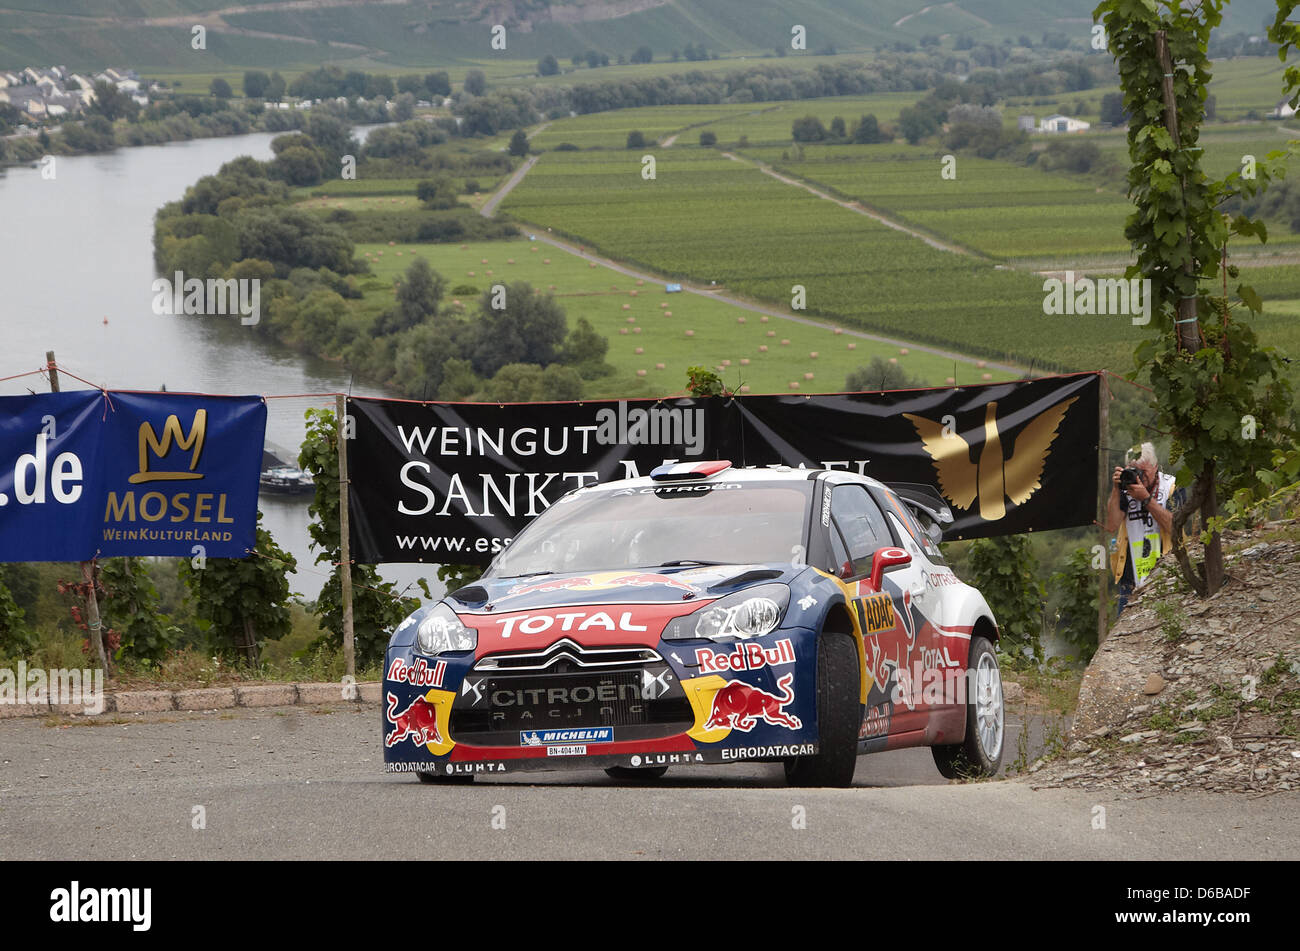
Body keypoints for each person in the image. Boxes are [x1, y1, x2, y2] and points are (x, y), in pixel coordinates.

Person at [1106, 442, 1176, 616]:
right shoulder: (1124, 490)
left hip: (1167, 575)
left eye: (1143, 471)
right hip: (1130, 579)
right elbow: (1113, 524)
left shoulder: (1171, 486)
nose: (1139, 477)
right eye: (1133, 471)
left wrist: (1146, 499)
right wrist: (1116, 489)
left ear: (1154, 467)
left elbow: (1174, 527)